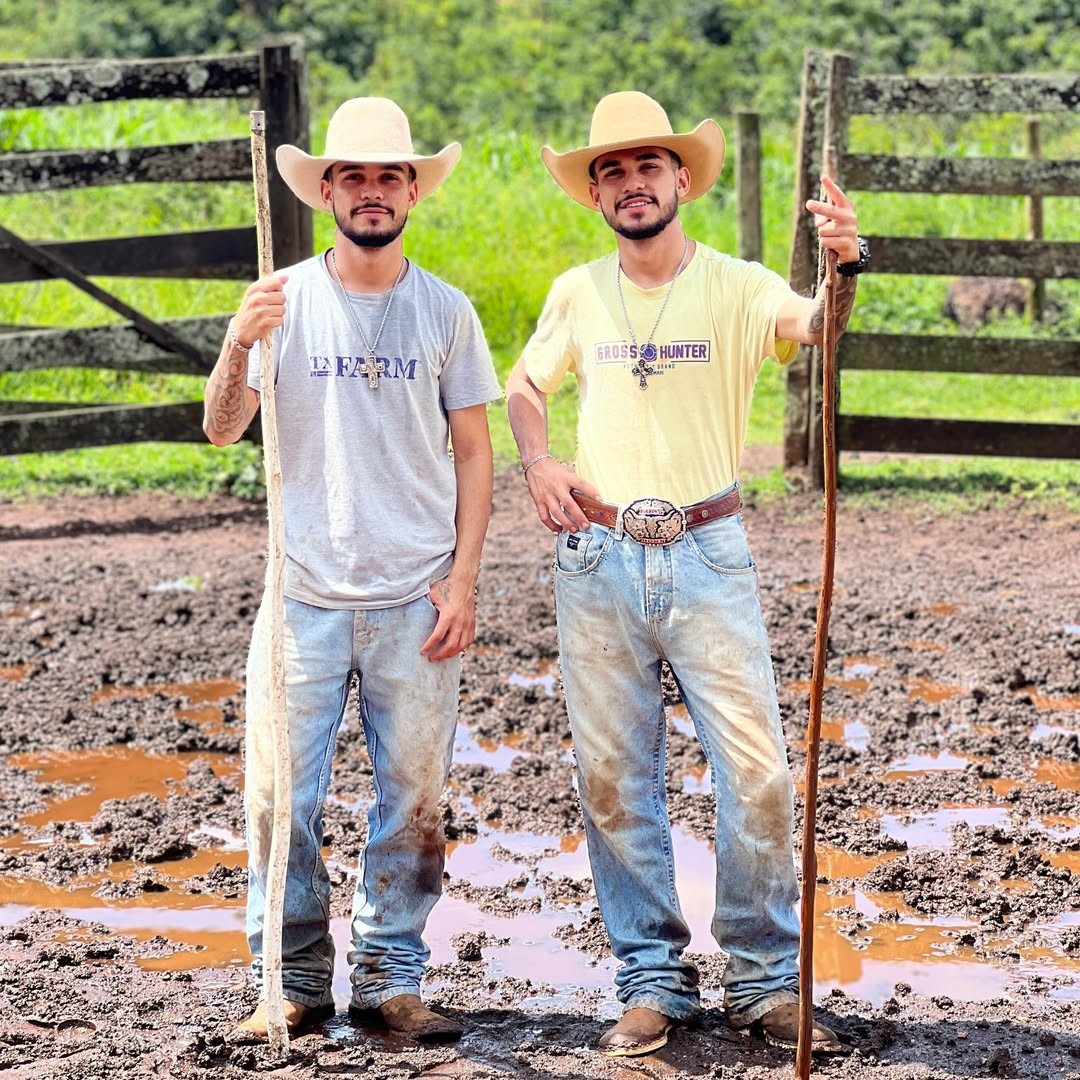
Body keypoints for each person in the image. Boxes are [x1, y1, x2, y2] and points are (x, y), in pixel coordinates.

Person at [506, 91, 866, 1058]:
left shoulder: (738, 286)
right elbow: (525, 384)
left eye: (647, 166)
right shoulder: (579, 291)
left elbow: (818, 329)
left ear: (679, 180)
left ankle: (762, 980)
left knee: (757, 773)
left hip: (708, 550)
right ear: (596, 194)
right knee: (616, 776)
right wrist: (539, 462)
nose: (631, 184)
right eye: (611, 172)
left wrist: (845, 265)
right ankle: (651, 979)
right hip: (600, 552)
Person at [202, 97, 501, 1042]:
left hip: (414, 596)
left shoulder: (446, 311)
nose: (372, 193)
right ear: (326, 190)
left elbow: (476, 454)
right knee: (281, 796)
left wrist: (461, 582)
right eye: (354, 178)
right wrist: (236, 341)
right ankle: (289, 979)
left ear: (412, 190)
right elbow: (221, 428)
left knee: (412, 798)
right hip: (302, 597)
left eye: (389, 178)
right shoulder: (280, 303)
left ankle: (388, 976)